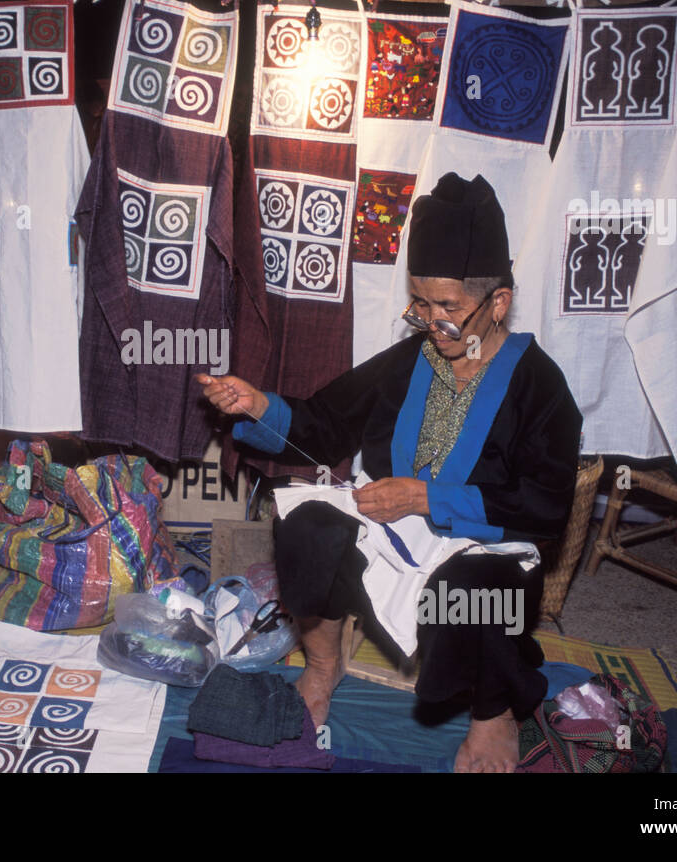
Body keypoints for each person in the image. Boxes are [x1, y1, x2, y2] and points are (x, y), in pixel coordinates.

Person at [197, 173, 582, 773]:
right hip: (388, 524)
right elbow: (325, 423)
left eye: (448, 309)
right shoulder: (411, 359)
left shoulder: (541, 386)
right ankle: (323, 666)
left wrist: (430, 497)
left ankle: (493, 716)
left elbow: (547, 505)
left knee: (480, 598)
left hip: (482, 543)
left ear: (497, 302)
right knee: (306, 529)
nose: (431, 321)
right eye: (420, 303)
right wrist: (256, 406)